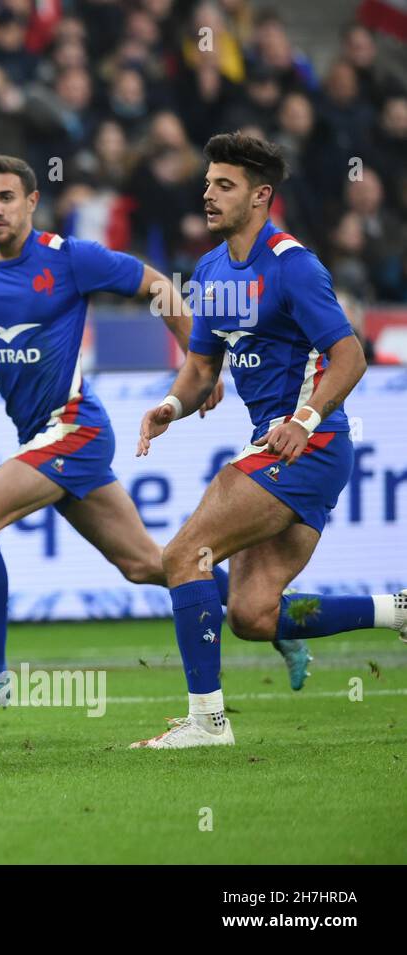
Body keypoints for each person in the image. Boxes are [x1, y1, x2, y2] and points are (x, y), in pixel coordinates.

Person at [0, 151, 249, 715]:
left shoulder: (70, 259)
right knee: (150, 564)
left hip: (75, 427)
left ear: (30, 202)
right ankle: (269, 613)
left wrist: (202, 365)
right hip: (43, 437)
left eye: (5, 198)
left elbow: (156, 286)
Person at [131, 132, 407, 749]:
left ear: (260, 197)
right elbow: (203, 369)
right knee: (254, 614)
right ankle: (397, 610)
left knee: (184, 557)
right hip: (281, 445)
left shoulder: (293, 264)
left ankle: (208, 724)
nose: (208, 194)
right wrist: (171, 407)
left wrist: (303, 420)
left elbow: (350, 357)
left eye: (223, 186)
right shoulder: (208, 269)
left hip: (307, 444)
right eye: (207, 183)